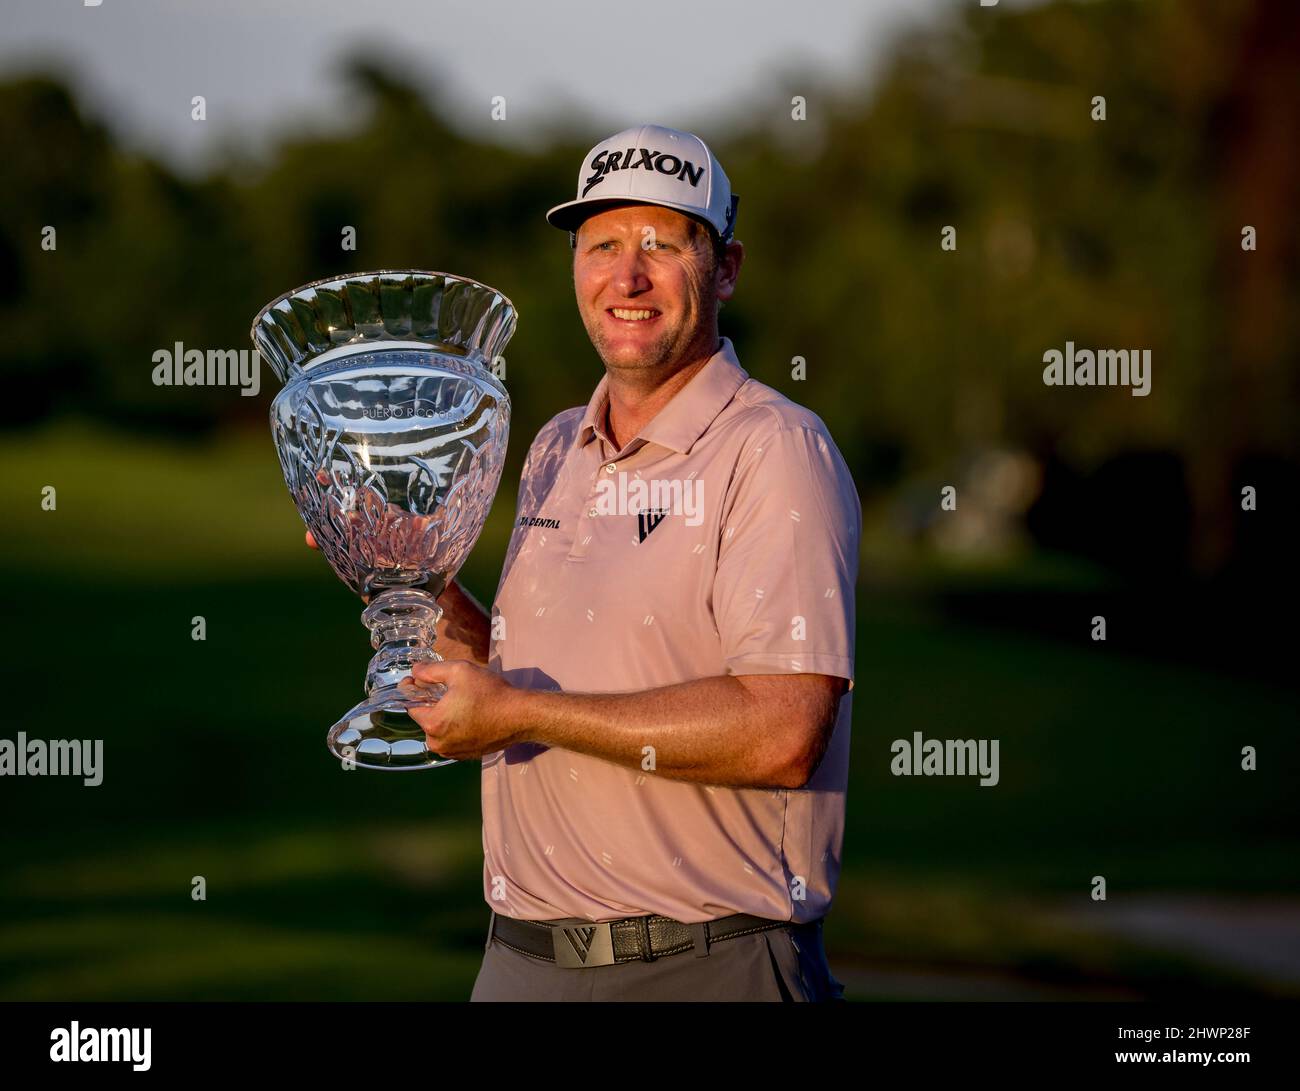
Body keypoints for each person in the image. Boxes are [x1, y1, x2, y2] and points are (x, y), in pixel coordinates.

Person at [309, 124, 861, 1001]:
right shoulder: (557, 445)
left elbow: (785, 729)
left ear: (725, 269)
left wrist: (522, 708)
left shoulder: (777, 447)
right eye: (602, 244)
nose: (627, 275)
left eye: (661, 244)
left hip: (707, 964)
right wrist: (420, 586)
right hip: (522, 963)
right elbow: (543, 682)